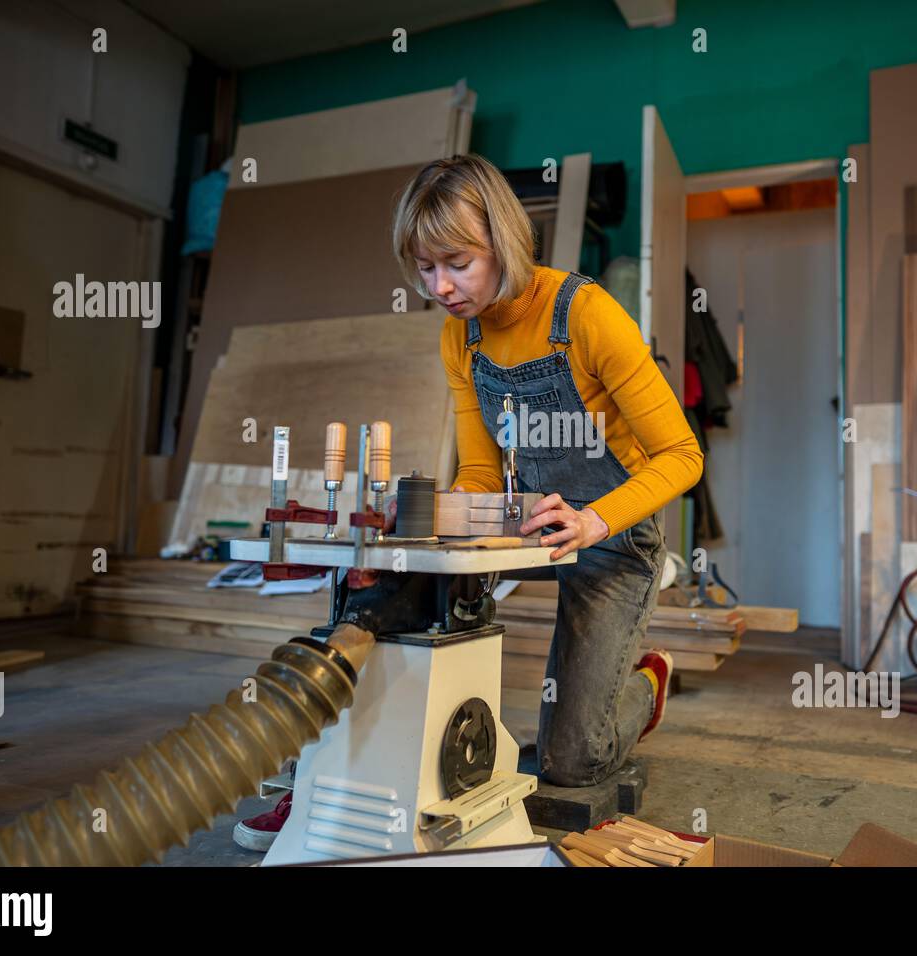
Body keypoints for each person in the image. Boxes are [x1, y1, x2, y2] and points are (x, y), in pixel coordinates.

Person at [234, 153, 703, 851]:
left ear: (503, 242)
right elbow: (483, 471)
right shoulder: (464, 335)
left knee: (572, 761)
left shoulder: (587, 315)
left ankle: (646, 683)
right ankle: (329, 775)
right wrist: (429, 524)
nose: (441, 287)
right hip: (526, 531)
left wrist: (594, 518)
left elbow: (682, 456)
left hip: (610, 537)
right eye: (425, 268)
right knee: (392, 592)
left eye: (456, 261)